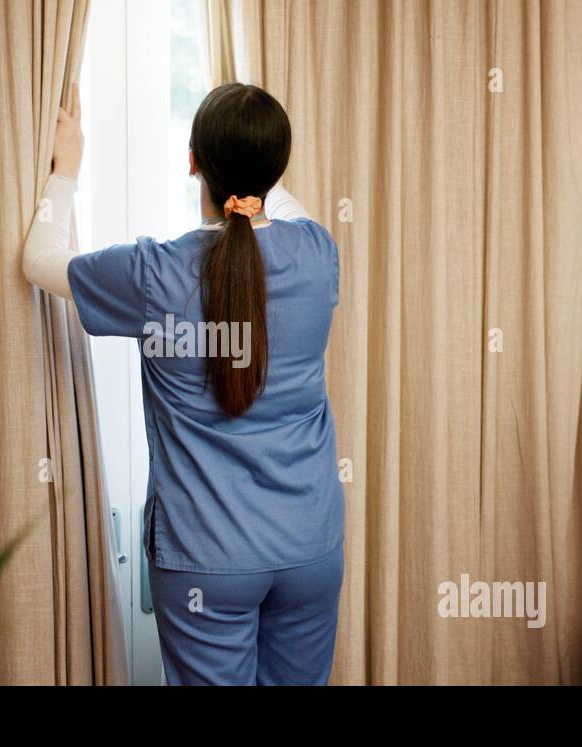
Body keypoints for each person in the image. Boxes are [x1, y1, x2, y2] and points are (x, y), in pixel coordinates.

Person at [23, 82, 344, 685]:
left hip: (207, 561)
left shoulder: (154, 273)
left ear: (191, 160)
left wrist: (67, 169)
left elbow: (39, 261)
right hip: (310, 550)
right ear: (278, 168)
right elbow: (284, 205)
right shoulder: (318, 253)